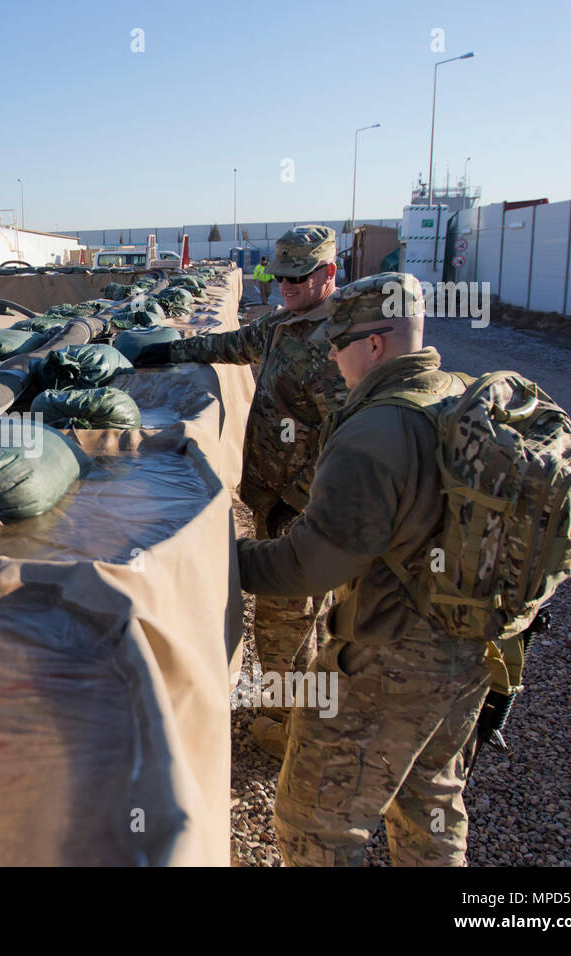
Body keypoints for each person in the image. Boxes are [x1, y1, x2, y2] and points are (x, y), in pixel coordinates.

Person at [237, 272, 489, 866]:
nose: (328, 351)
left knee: (314, 827)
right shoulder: (458, 393)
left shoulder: (374, 430)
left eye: (337, 340)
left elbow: (308, 567)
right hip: (473, 646)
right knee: (431, 801)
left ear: (374, 345)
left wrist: (223, 558)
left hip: (390, 658)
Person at [136, 225, 347, 757]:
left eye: (299, 277)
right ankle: (304, 714)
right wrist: (166, 353)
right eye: (279, 276)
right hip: (275, 500)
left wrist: (304, 503)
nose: (286, 285)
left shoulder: (339, 342)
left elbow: (349, 442)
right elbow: (231, 344)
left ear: (329, 273)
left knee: (284, 623)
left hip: (304, 510)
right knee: (297, 621)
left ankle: (288, 733)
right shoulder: (284, 325)